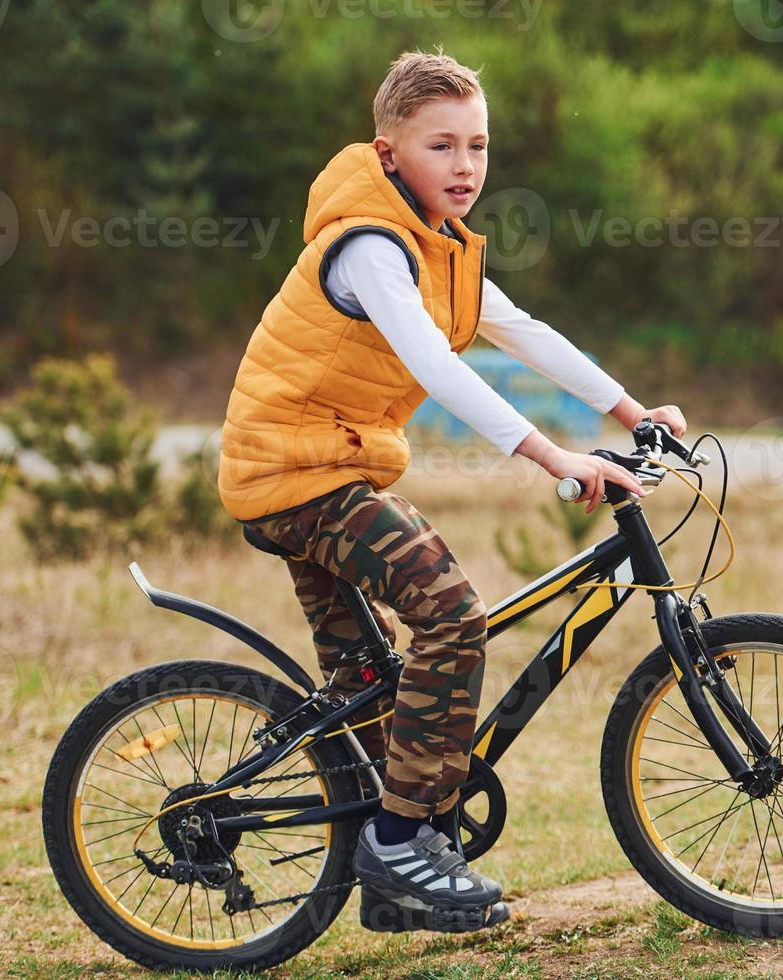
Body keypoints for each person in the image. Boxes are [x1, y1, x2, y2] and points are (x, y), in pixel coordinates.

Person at [216, 49, 686, 933]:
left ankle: (395, 882)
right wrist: (554, 457)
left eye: (478, 145)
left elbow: (523, 331)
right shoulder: (369, 248)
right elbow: (433, 366)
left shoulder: (441, 249)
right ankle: (398, 842)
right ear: (389, 153)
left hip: (332, 465)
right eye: (443, 147)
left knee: (372, 677)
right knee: (450, 613)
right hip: (291, 473)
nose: (466, 166)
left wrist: (631, 412)